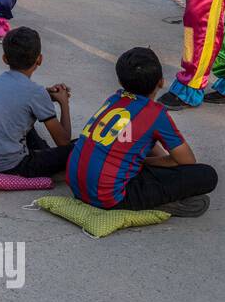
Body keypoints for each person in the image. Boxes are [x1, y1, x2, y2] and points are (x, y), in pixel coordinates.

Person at [67, 47, 217, 215]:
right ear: (161, 82)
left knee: (142, 145)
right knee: (207, 175)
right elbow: (187, 161)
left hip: (77, 187)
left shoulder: (114, 99)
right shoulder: (155, 114)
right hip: (110, 198)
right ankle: (158, 203)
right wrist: (149, 163)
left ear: (120, 81)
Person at [0, 27, 72, 177]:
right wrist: (64, 103)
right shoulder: (36, 93)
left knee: (20, 117)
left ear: (4, 58)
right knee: (77, 149)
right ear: (40, 59)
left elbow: (21, 97)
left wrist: (47, 95)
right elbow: (63, 142)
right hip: (9, 165)